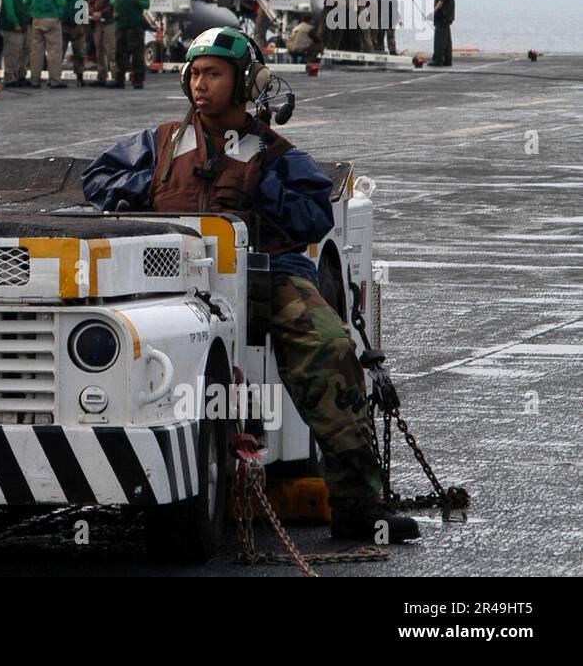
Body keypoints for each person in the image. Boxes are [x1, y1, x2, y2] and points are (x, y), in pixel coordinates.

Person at [80, 27, 421, 543]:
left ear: (245, 83)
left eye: (213, 74)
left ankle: (357, 504)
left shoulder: (274, 152)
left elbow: (314, 215)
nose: (200, 84)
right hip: (169, 273)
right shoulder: (161, 142)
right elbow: (97, 176)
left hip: (268, 272)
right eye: (195, 74)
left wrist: (265, 189)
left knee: (329, 348)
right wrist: (137, 189)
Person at [23, 0, 68, 89]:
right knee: (54, 51)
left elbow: (25, 1)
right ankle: (55, 80)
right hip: (52, 20)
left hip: (36, 20)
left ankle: (35, 80)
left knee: (36, 51)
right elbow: (61, 1)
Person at [112, 0, 152, 89]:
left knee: (137, 55)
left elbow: (147, 4)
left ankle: (138, 80)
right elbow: (113, 0)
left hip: (135, 26)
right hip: (121, 24)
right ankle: (119, 79)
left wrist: (137, 0)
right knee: (120, 54)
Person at [88, 0, 118, 86]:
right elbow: (90, 1)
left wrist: (101, 13)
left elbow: (113, 3)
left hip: (109, 21)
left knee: (111, 51)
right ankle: (101, 77)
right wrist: (93, 12)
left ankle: (116, 77)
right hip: (98, 23)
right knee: (99, 50)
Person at [60, 0, 91, 85]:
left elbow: (89, 2)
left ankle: (80, 76)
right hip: (63, 24)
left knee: (79, 52)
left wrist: (84, 21)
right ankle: (56, 76)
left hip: (78, 25)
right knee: (60, 51)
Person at [0, 0, 29, 87]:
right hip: (13, 28)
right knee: (12, 52)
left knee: (22, 52)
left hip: (22, 27)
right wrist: (15, 23)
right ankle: (9, 76)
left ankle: (19, 75)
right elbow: (9, 9)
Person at [431, 0, 454, 66]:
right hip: (446, 17)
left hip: (442, 16)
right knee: (446, 40)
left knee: (439, 39)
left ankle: (438, 60)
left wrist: (433, 11)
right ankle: (447, 60)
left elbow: (442, 0)